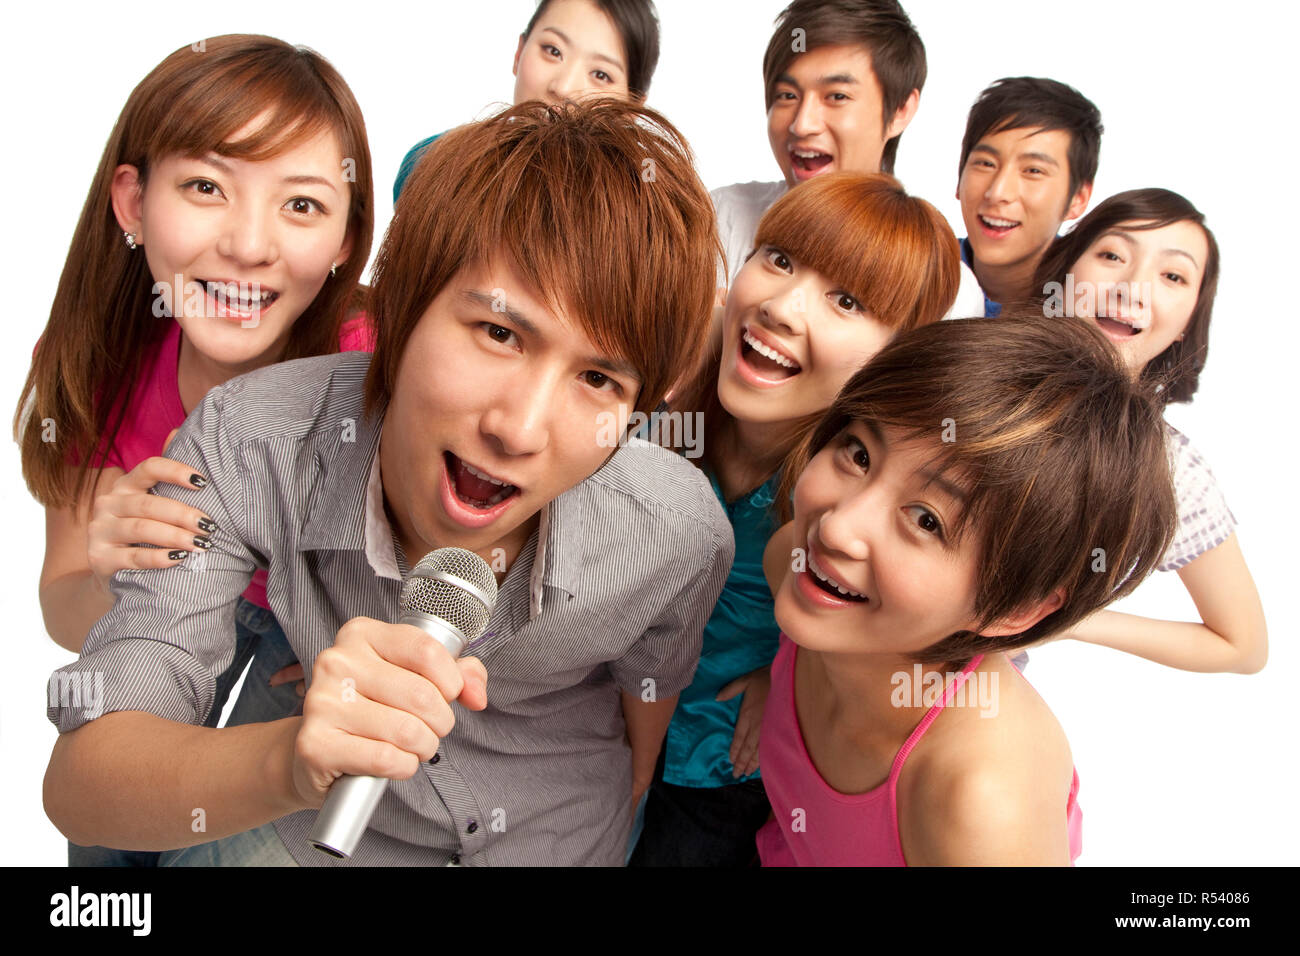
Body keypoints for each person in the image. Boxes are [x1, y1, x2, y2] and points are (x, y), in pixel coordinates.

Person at [43, 98, 733, 867]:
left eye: (599, 378)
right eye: (499, 334)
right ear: (401, 309)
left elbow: (648, 702)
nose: (520, 429)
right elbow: (81, 779)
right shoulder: (250, 442)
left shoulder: (675, 529)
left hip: (563, 831)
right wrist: (289, 762)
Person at [15, 34, 374, 864]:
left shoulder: (367, 368)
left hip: (310, 616)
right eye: (207, 186)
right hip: (179, 599)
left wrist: (348, 640)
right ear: (134, 204)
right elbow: (60, 605)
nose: (249, 246)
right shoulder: (94, 360)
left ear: (348, 240)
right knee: (107, 825)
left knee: (232, 842)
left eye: (302, 205)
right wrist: (111, 578)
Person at [758, 312, 1178, 864]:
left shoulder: (982, 801)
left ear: (1016, 610)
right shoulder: (800, 569)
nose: (836, 527)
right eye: (859, 455)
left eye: (927, 520)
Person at [630, 171, 958, 865]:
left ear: (897, 357)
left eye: (846, 300)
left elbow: (925, 633)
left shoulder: (856, 501)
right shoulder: (659, 399)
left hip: (720, 772)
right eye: (778, 259)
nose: (781, 306)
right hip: (596, 727)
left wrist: (791, 674)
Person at [1026, 189, 1267, 674]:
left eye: (1172, 276)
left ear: (1187, 322)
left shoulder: (1169, 468)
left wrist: (1063, 619)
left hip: (955, 703)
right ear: (1065, 274)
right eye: (1112, 255)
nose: (1131, 287)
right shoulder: (967, 361)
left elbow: (1242, 645)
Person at [710, 0, 982, 319]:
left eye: (837, 96)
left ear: (901, 110)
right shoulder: (720, 220)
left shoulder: (948, 293)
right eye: (787, 95)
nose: (802, 124)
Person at [392, 0, 660, 203]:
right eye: (552, 51)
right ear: (519, 53)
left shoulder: (648, 220)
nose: (564, 88)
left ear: (633, 109)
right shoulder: (432, 165)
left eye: (601, 74)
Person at [955, 77, 1102, 315]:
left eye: (1033, 171)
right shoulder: (914, 270)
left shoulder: (1093, 303)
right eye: (985, 163)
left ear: (1078, 198)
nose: (998, 192)